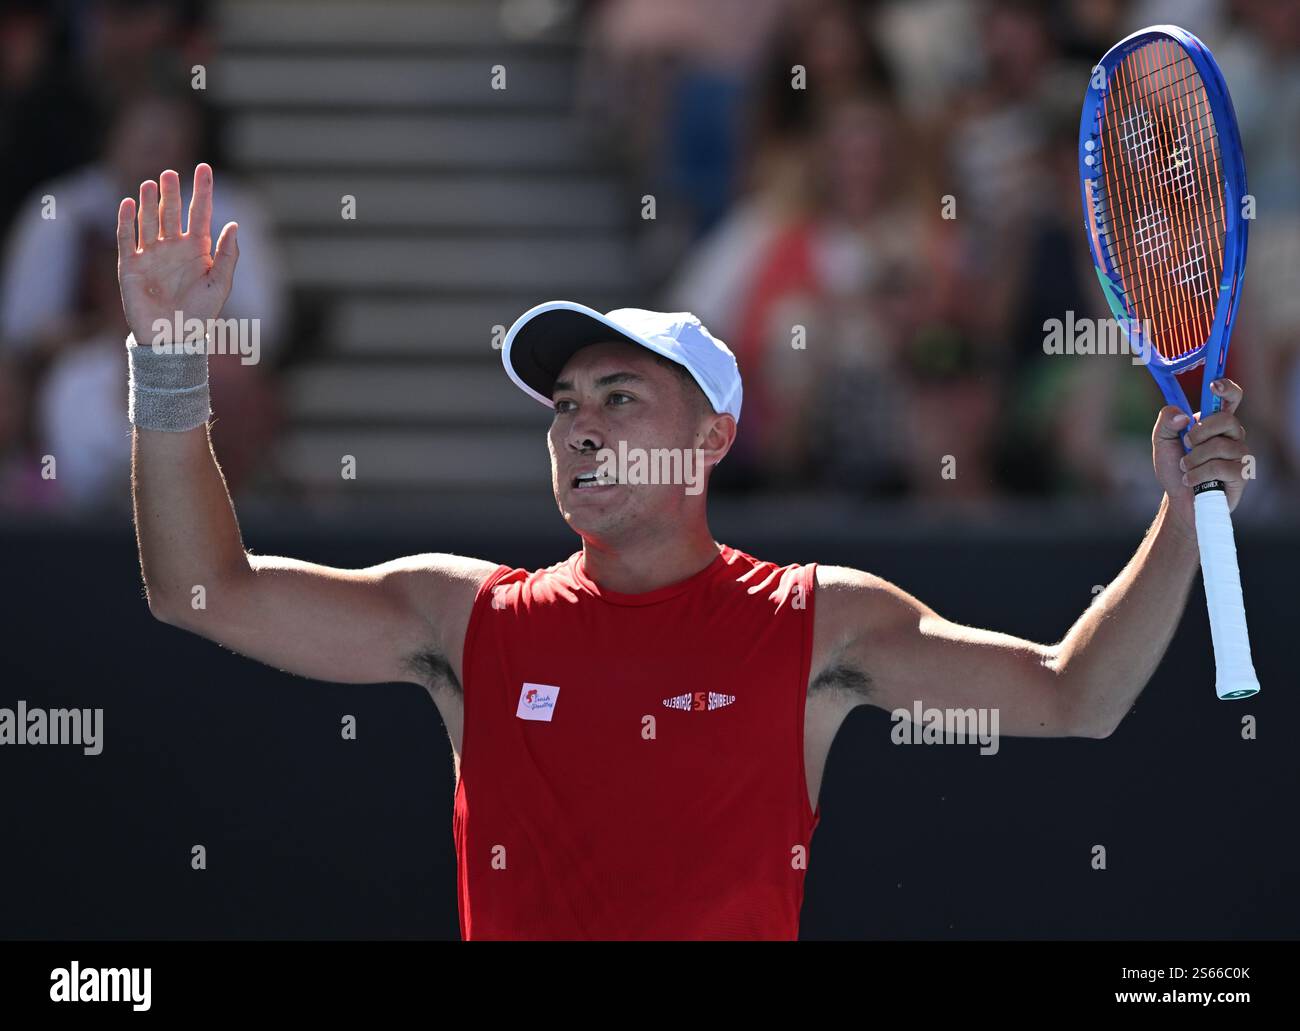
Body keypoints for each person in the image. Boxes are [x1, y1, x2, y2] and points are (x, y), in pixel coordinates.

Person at [121, 164, 1254, 941]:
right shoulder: (459, 617)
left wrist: (1173, 516)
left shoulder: (820, 620)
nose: (580, 425)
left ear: (712, 438)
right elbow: (194, 589)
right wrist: (172, 357)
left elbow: (1075, 696)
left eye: (621, 396)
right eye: (566, 403)